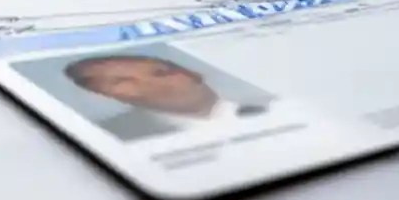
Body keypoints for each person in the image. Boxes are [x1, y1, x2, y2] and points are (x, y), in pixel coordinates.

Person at [64, 54, 267, 141]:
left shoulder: (268, 101)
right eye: (123, 82)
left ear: (193, 73)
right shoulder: (108, 136)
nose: (154, 85)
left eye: (161, 73)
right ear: (105, 94)